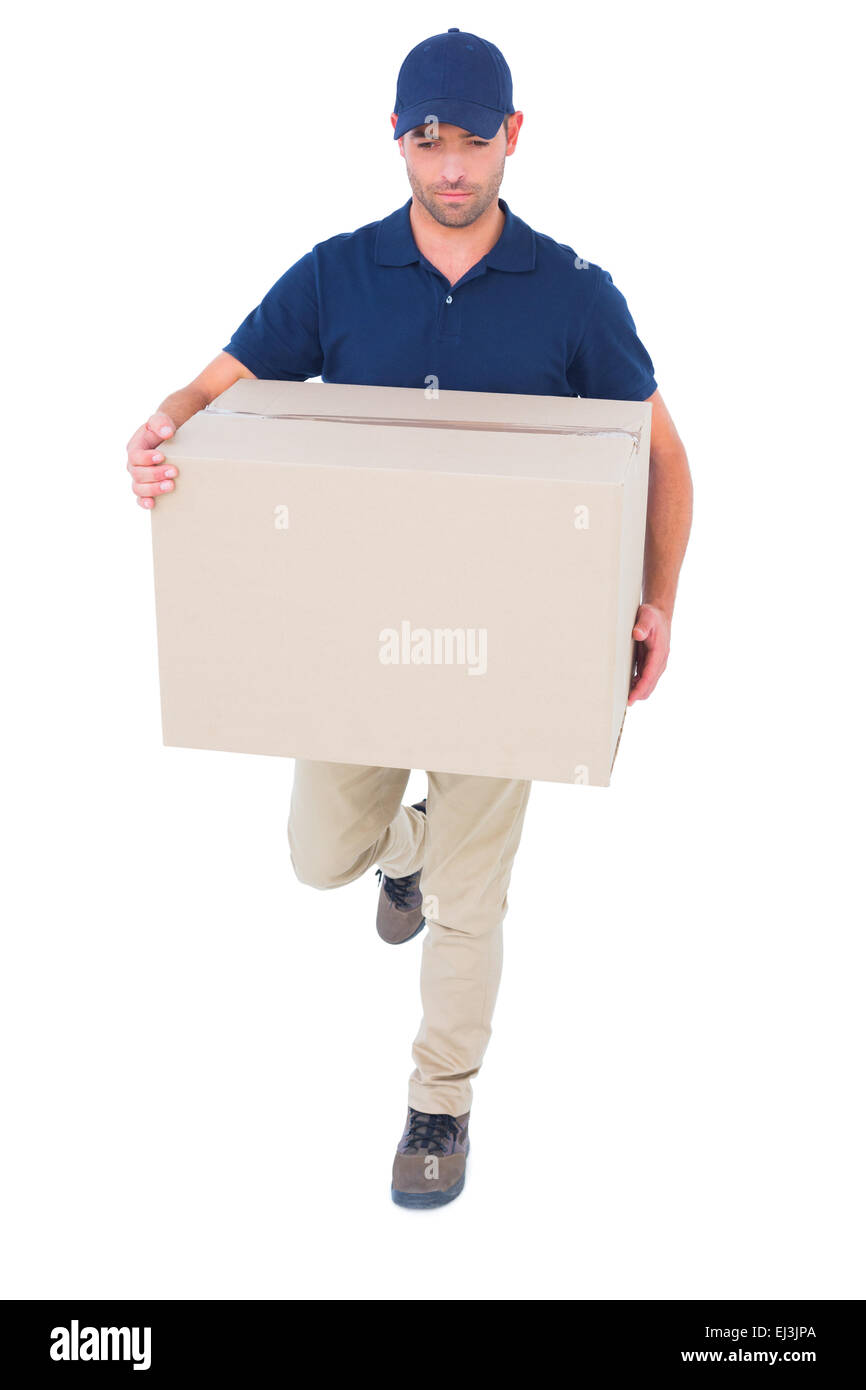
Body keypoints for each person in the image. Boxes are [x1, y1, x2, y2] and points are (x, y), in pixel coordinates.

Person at [126, 29, 693, 1209]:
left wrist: (657, 601)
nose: (448, 166)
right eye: (425, 139)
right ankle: (406, 848)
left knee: (472, 904)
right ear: (398, 139)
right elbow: (225, 380)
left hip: (513, 651)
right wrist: (165, 420)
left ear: (511, 138)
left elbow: (663, 456)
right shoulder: (337, 274)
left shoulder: (575, 294)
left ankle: (440, 1103)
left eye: (471, 140)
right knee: (316, 855)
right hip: (357, 637)